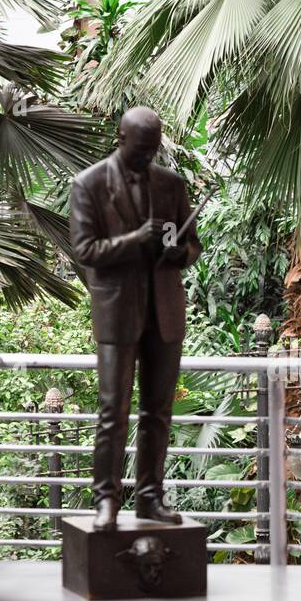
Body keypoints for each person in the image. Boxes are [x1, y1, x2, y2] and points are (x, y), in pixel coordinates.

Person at [69, 106, 202, 531]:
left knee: (158, 412)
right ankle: (105, 500)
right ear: (120, 140)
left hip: (164, 313)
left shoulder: (171, 184)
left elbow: (191, 244)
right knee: (113, 411)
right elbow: (85, 251)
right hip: (118, 313)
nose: (147, 158)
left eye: (152, 150)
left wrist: (177, 251)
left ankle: (150, 498)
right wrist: (134, 241)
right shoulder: (88, 184)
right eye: (140, 150)